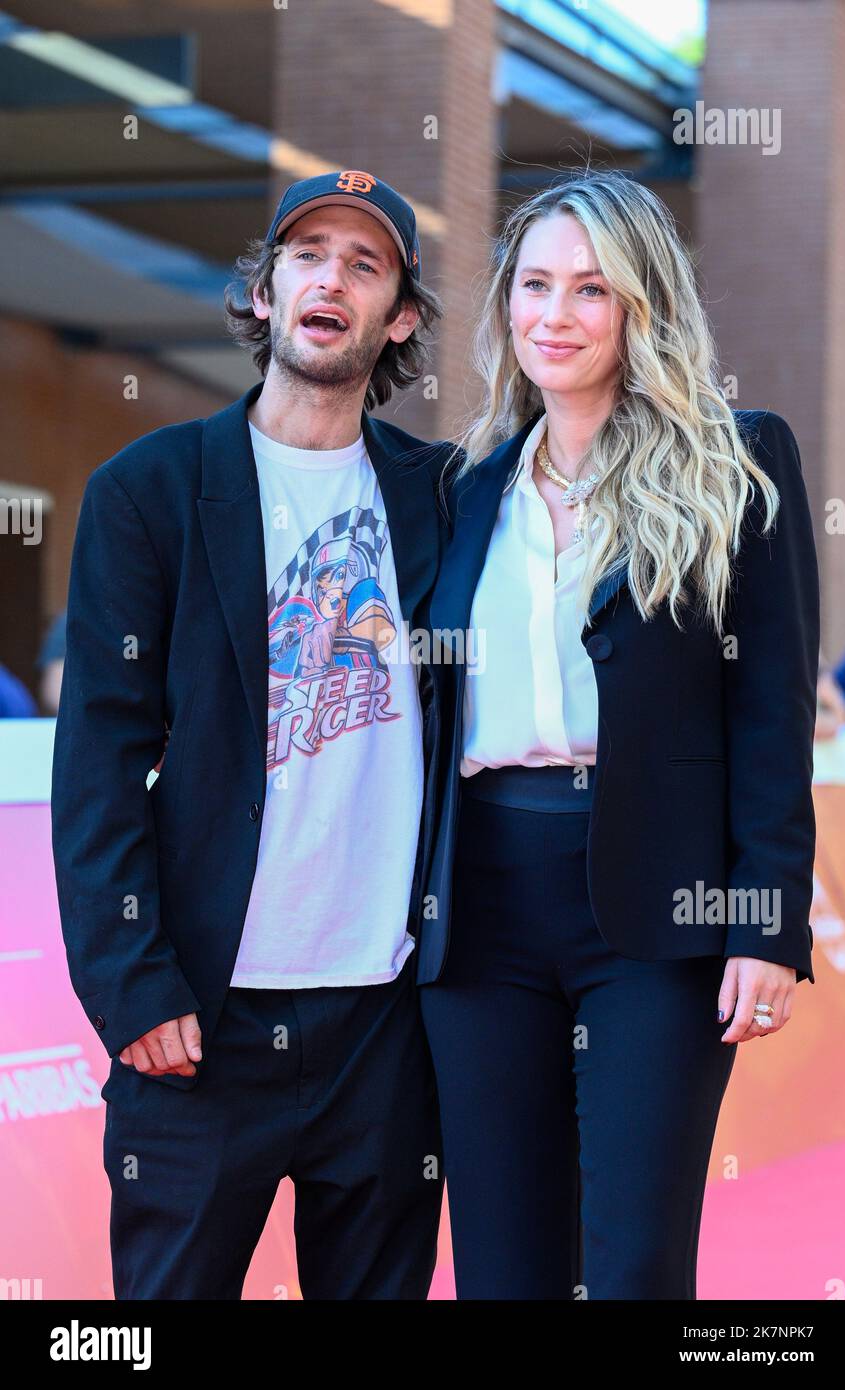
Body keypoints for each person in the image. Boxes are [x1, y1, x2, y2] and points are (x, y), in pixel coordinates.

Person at [416, 169, 819, 1300]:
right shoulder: (465, 489)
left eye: (591, 289)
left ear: (644, 306)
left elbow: (770, 707)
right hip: (481, 908)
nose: (555, 314)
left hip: (658, 907)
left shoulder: (739, 463)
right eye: (534, 285)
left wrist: (766, 917)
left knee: (635, 1261)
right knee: (504, 1267)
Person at [51, 171, 453, 1300]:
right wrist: (133, 988)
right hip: (200, 1020)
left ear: (400, 318)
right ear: (267, 292)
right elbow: (99, 761)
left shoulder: (441, 498)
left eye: (365, 264)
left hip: (389, 1020)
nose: (332, 276)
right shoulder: (152, 491)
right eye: (308, 254)